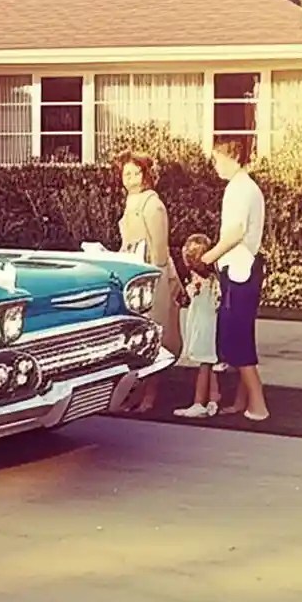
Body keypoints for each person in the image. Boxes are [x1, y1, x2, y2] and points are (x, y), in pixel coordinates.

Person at [196, 139, 270, 421]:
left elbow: (236, 232)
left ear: (233, 157)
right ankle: (244, 402)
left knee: (237, 339)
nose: (215, 165)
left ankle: (259, 406)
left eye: (217, 159)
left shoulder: (240, 189)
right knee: (240, 335)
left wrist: (208, 257)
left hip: (241, 270)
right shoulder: (245, 187)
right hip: (242, 269)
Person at [114, 150, 182, 413]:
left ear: (146, 175)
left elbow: (159, 252)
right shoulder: (131, 201)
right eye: (126, 173)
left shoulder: (153, 205)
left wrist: (155, 282)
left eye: (136, 173)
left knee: (152, 334)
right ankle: (135, 391)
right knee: (134, 336)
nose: (130, 178)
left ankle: (150, 394)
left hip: (151, 275)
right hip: (133, 271)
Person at [173, 233, 223, 417]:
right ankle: (213, 398)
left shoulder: (200, 283)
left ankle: (199, 402)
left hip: (204, 326)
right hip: (209, 324)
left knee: (205, 362)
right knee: (209, 362)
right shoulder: (213, 280)